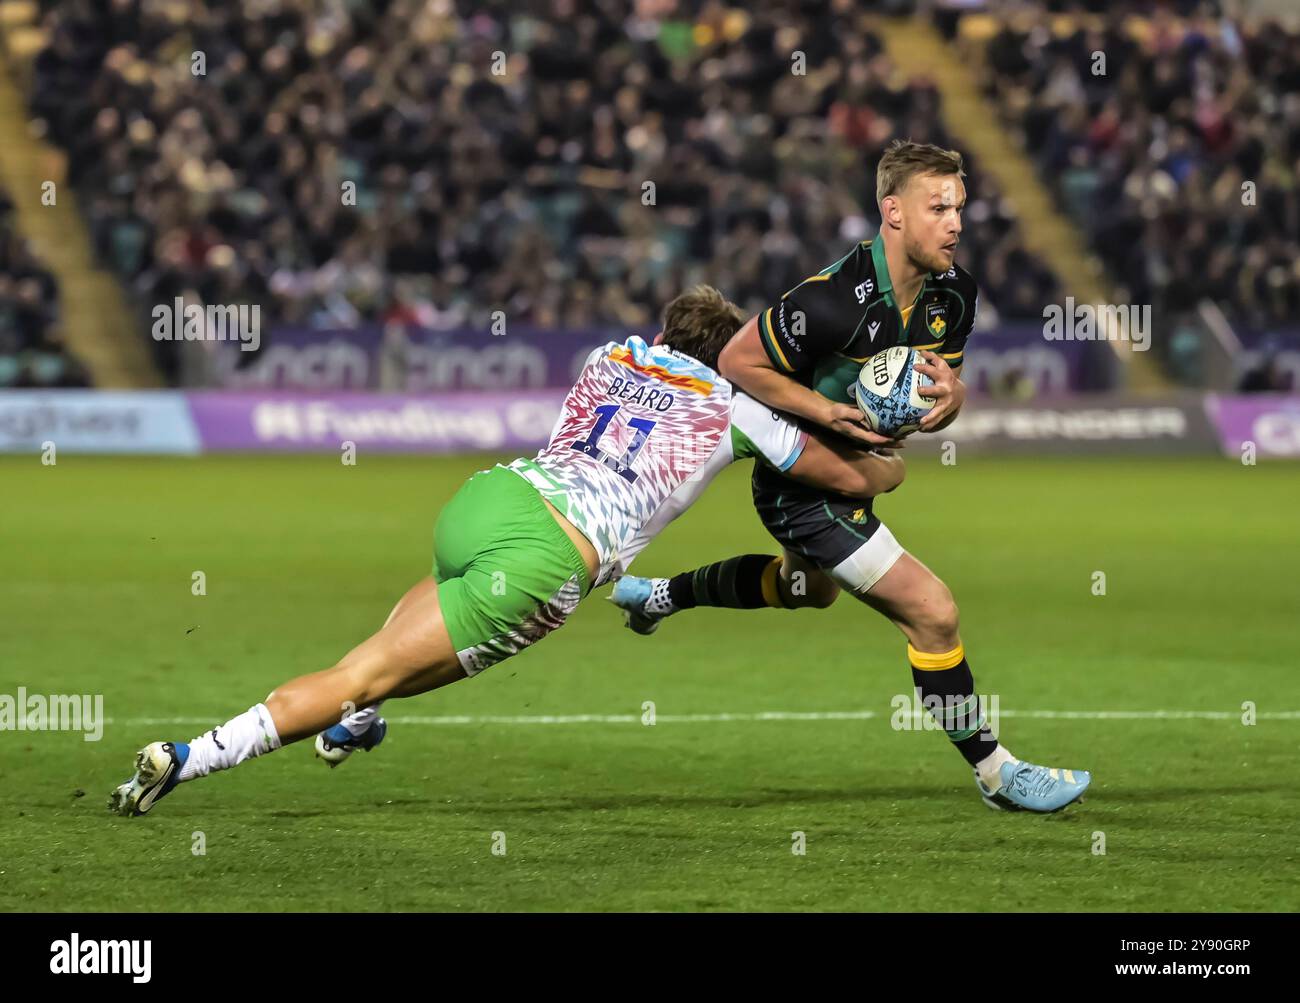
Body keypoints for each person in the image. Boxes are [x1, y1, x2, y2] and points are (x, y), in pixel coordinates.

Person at [109, 285, 906, 816]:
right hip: (545, 555)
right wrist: (886, 451)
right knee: (366, 671)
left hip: (488, 502)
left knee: (388, 658)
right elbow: (841, 471)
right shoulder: (736, 404)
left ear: (663, 334)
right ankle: (190, 755)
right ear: (732, 352)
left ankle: (358, 720)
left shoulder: (611, 356)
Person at [611, 141, 1091, 813]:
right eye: (938, 208)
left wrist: (952, 403)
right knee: (932, 610)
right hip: (803, 485)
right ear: (892, 212)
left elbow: (930, 406)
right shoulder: (832, 300)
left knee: (806, 590)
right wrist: (825, 408)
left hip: (849, 473)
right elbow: (736, 359)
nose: (955, 223)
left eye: (960, 208)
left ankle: (658, 596)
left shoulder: (955, 297)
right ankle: (996, 771)